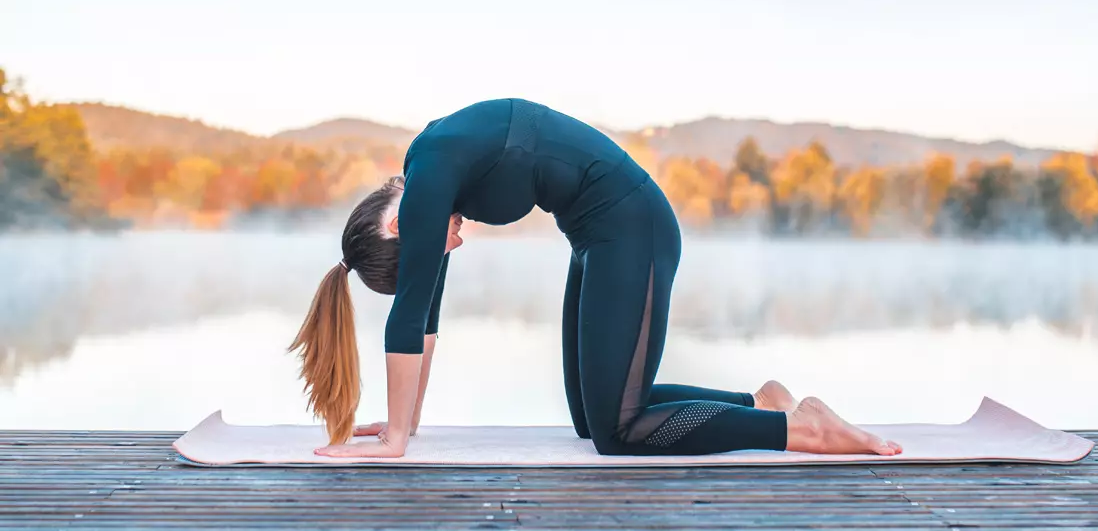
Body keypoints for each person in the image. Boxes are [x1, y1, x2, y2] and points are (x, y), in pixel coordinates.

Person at [289, 98, 902, 458]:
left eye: (436, 247)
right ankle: (761, 401)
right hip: (599, 238)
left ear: (393, 228)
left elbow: (409, 309)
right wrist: (407, 425)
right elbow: (425, 317)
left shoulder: (425, 184)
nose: (453, 243)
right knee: (594, 417)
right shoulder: (430, 174)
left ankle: (799, 428)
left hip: (632, 227)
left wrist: (393, 440)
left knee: (618, 430)